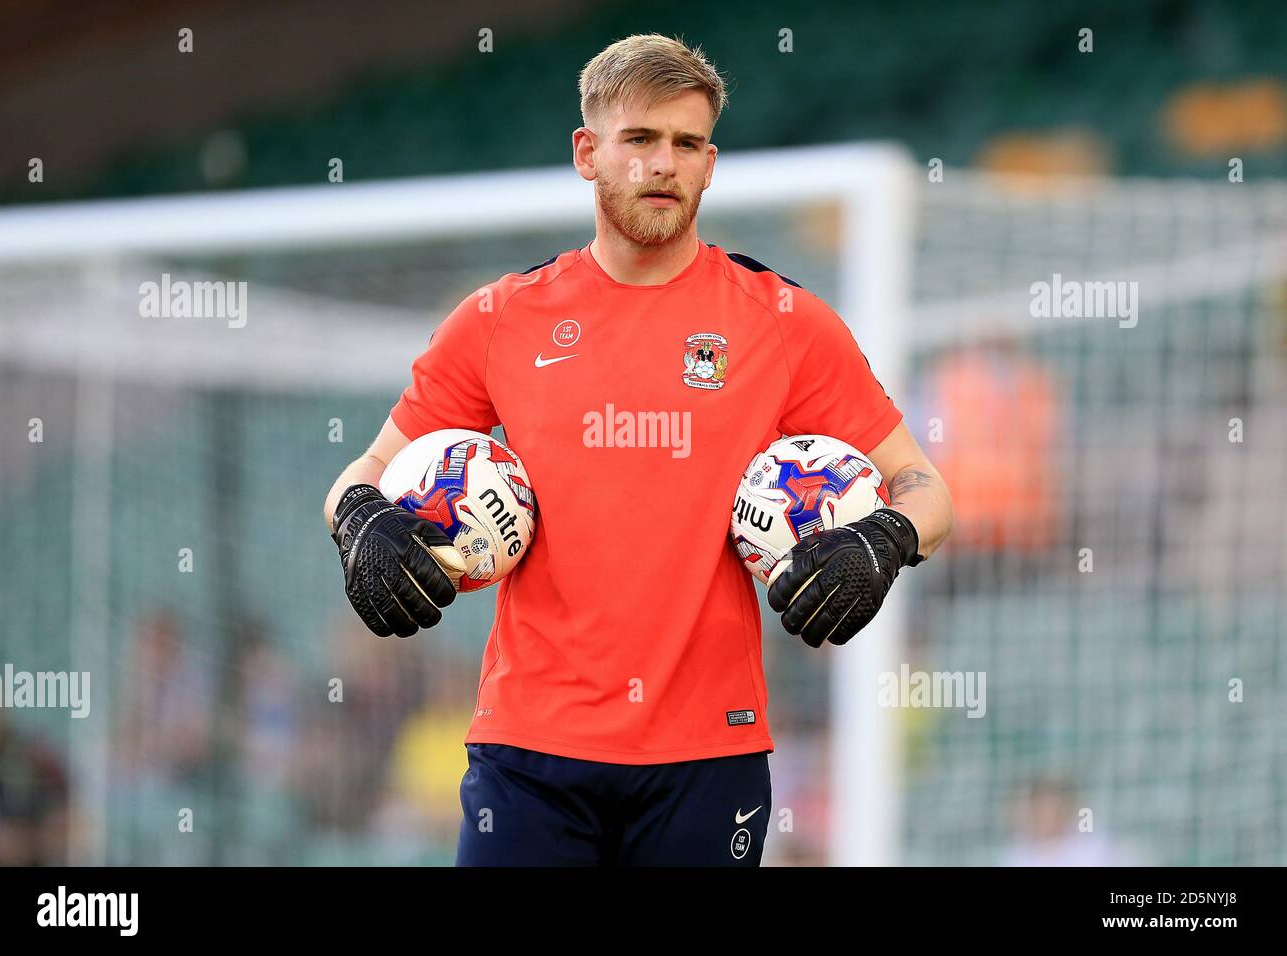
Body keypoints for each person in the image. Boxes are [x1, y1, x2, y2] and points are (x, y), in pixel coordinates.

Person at [323, 33, 953, 866]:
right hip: (530, 751)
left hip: (710, 752)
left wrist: (882, 539)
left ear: (710, 161)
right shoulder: (498, 319)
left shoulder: (784, 322)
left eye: (686, 144)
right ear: (588, 153)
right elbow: (358, 477)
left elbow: (926, 488)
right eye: (640, 140)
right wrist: (364, 522)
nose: (664, 164)